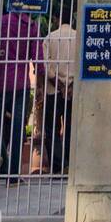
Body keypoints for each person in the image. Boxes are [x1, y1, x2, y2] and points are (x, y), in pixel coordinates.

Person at [0, 7, 39, 182]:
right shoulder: (31, 26)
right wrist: (40, 80)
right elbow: (38, 59)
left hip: (0, 81)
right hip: (21, 83)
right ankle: (13, 174)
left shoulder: (1, 22)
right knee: (18, 128)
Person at [34, 21, 76, 175]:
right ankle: (70, 163)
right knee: (71, 128)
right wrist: (70, 85)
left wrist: (59, 84)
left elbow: (44, 65)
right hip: (73, 90)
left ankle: (58, 166)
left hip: (53, 90)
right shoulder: (79, 37)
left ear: (57, 21)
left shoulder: (49, 38)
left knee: (52, 128)